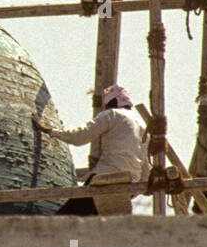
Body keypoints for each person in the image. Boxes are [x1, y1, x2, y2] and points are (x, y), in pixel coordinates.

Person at [32, 84, 150, 215]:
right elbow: (145, 169)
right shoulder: (143, 127)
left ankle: (66, 236)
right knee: (91, 224)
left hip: (105, 178)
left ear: (112, 102)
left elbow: (79, 137)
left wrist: (50, 131)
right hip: (127, 185)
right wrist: (135, 189)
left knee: (65, 220)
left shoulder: (112, 114)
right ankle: (75, 237)